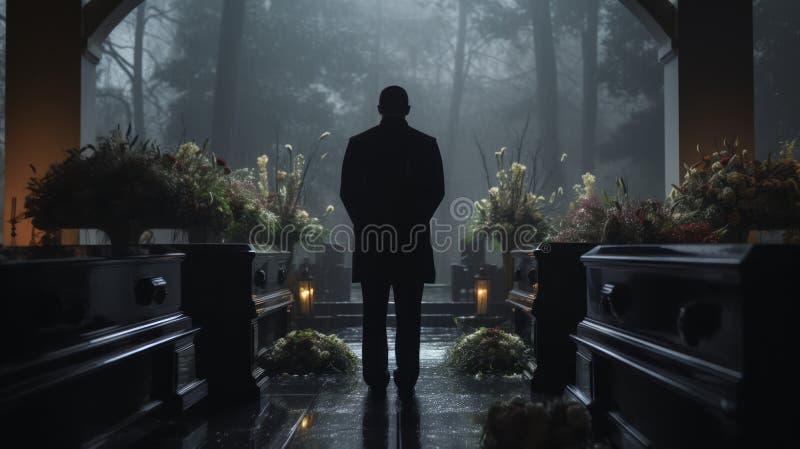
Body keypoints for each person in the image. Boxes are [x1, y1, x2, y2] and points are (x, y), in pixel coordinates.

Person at [340, 85, 445, 398]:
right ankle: (407, 375)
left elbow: (348, 192)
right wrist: (413, 222)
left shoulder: (359, 144)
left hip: (373, 242)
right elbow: (436, 191)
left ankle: (374, 375)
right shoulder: (426, 145)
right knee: (410, 313)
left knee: (373, 313)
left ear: (379, 107)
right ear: (408, 109)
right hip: (411, 243)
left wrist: (368, 224)